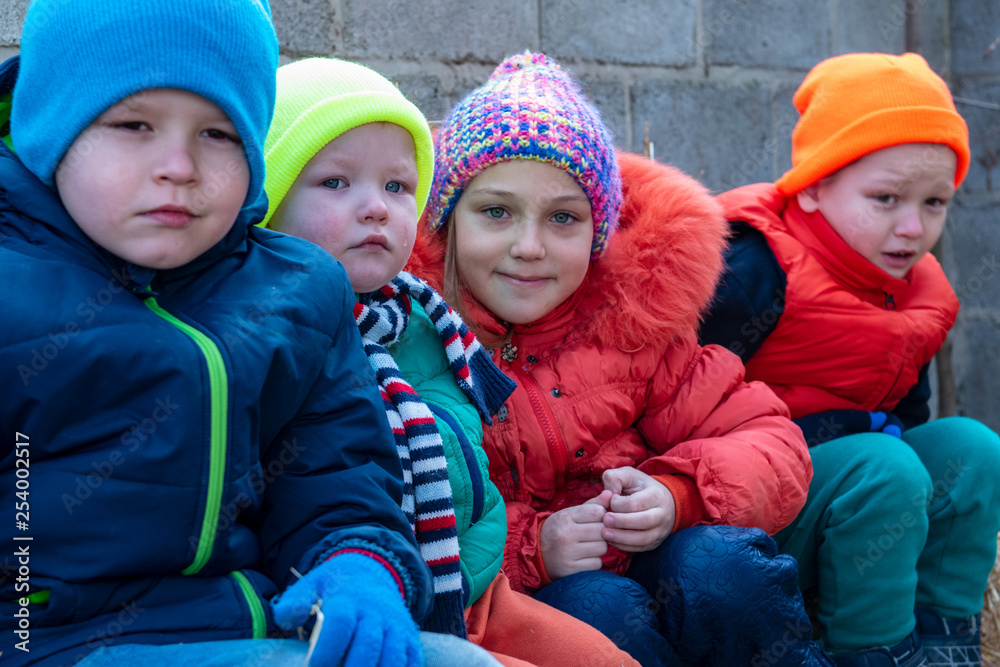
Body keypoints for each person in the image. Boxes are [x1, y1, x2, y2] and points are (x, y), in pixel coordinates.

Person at [0, 2, 488, 665]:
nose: (178, 164)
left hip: (257, 626)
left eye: (219, 133)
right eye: (133, 123)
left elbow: (333, 479)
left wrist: (356, 561)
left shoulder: (297, 290)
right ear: (49, 129)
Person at [416, 50, 833, 667]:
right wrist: (534, 547)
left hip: (661, 563)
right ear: (448, 222)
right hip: (542, 603)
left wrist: (677, 495)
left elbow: (769, 440)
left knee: (721, 564)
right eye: (496, 211)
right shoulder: (418, 344)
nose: (529, 247)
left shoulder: (635, 328)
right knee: (596, 603)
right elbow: (413, 512)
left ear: (599, 231)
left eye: (563, 217)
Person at [261, 55, 640, 667]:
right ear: (268, 196)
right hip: (357, 601)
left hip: (479, 593)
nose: (377, 207)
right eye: (335, 182)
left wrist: (674, 490)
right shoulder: (268, 334)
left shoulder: (423, 323)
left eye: (396, 186)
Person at [698, 52, 1000, 667]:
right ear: (812, 186)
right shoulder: (757, 266)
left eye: (935, 203)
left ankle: (946, 641)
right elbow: (683, 408)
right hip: (748, 512)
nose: (913, 227)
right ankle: (874, 651)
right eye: (886, 198)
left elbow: (908, 423)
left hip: (861, 494)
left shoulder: (920, 291)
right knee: (884, 463)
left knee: (972, 449)